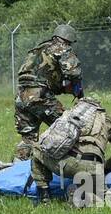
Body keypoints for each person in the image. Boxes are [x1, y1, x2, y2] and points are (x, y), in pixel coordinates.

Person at [29, 96, 111, 203]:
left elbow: (48, 143)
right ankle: (82, 195)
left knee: (36, 150)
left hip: (64, 164)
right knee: (103, 198)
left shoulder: (70, 114)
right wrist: (106, 167)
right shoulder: (106, 119)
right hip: (92, 166)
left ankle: (44, 195)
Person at [14, 23, 81, 160]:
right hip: (39, 94)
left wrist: (60, 88)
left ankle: (18, 171)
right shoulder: (62, 48)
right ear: (69, 39)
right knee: (67, 127)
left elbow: (42, 75)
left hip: (21, 96)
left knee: (28, 138)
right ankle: (76, 163)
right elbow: (74, 72)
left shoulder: (38, 48)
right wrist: (77, 90)